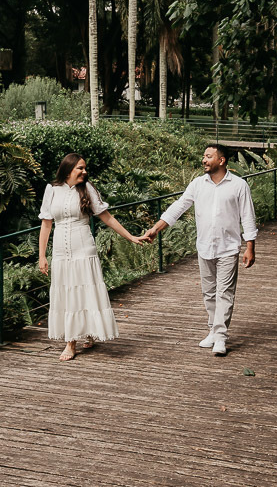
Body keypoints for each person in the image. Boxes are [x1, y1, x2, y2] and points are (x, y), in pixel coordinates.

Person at [139, 144, 257, 356]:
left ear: (221, 161)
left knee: (224, 293)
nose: (204, 160)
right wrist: (156, 228)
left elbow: (248, 217)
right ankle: (213, 329)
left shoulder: (239, 185)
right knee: (209, 292)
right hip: (204, 247)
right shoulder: (197, 184)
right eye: (203, 156)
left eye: (208, 156)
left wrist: (250, 247)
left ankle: (221, 337)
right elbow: (178, 207)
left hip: (228, 247)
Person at [38, 153, 144, 361]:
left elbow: (107, 217)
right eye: (80, 168)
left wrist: (130, 237)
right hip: (60, 249)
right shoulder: (51, 189)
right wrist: (42, 256)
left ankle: (71, 343)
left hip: (83, 247)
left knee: (84, 289)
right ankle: (76, 335)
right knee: (67, 292)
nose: (84, 172)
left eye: (85, 168)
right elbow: (46, 223)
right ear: (68, 170)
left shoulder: (87, 189)